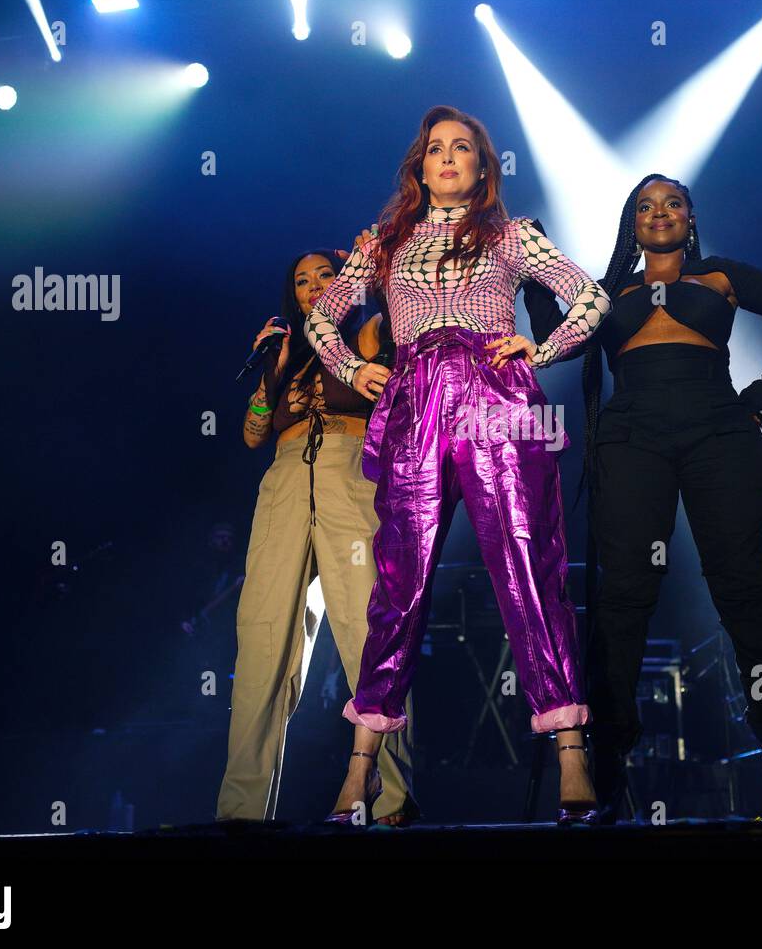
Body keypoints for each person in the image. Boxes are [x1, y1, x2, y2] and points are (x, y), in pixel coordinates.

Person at [305, 105, 611, 825]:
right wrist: (354, 367)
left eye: (462, 148)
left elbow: (592, 296)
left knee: (529, 570)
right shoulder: (383, 240)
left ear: (482, 165)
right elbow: (322, 314)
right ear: (420, 166)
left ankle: (572, 755)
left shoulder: (512, 235)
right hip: (413, 400)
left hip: (496, 397)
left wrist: (544, 347)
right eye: (435, 148)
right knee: (399, 583)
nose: (447, 158)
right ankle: (363, 770)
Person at [576, 174, 762, 820]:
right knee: (623, 596)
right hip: (632, 431)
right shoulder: (608, 292)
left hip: (717, 426)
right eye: (645, 205)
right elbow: (559, 343)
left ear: (690, 218)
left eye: (672, 203)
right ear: (630, 224)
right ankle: (608, 766)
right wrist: (530, 274)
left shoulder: (719, 275)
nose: (659, 212)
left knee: (744, 589)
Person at [216, 249, 417, 826]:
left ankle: (393, 799)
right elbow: (253, 435)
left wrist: (375, 275)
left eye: (325, 274)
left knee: (369, 632)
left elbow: (399, 340)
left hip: (350, 472)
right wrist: (269, 368)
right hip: (282, 481)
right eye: (301, 281)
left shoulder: (370, 329)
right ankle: (241, 810)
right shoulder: (287, 353)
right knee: (262, 640)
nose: (312, 287)